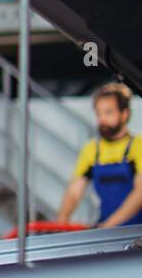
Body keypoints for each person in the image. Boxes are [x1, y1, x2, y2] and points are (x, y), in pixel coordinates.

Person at [56, 82, 142, 228]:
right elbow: (74, 191)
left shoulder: (138, 146)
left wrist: (109, 226)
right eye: (99, 113)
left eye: (108, 112)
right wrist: (61, 223)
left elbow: (140, 194)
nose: (102, 120)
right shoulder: (91, 150)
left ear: (124, 113)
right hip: (106, 228)